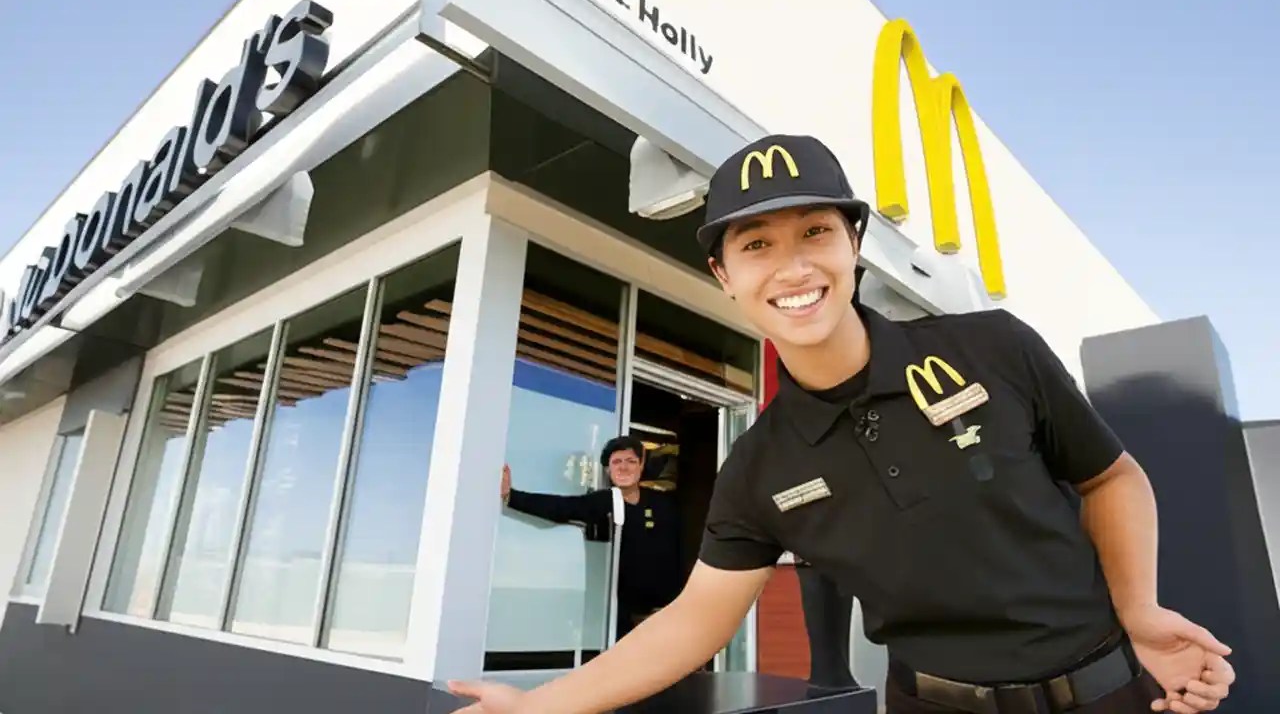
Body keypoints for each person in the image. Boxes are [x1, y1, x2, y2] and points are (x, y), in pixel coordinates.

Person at [451, 134, 1236, 713]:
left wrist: (1141, 611)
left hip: (1110, 695)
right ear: (724, 275)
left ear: (854, 243)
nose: (793, 268)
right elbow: (694, 621)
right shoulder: (757, 467)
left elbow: (1111, 477)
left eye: (815, 233)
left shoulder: (994, 348)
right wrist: (541, 705)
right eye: (757, 245)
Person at [501, 435, 684, 642]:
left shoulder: (663, 505)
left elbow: (676, 553)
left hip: (662, 613)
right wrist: (511, 496)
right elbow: (561, 507)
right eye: (616, 462)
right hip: (616, 616)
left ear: (641, 465)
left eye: (631, 461)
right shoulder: (604, 502)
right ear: (608, 469)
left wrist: (675, 605)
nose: (624, 467)